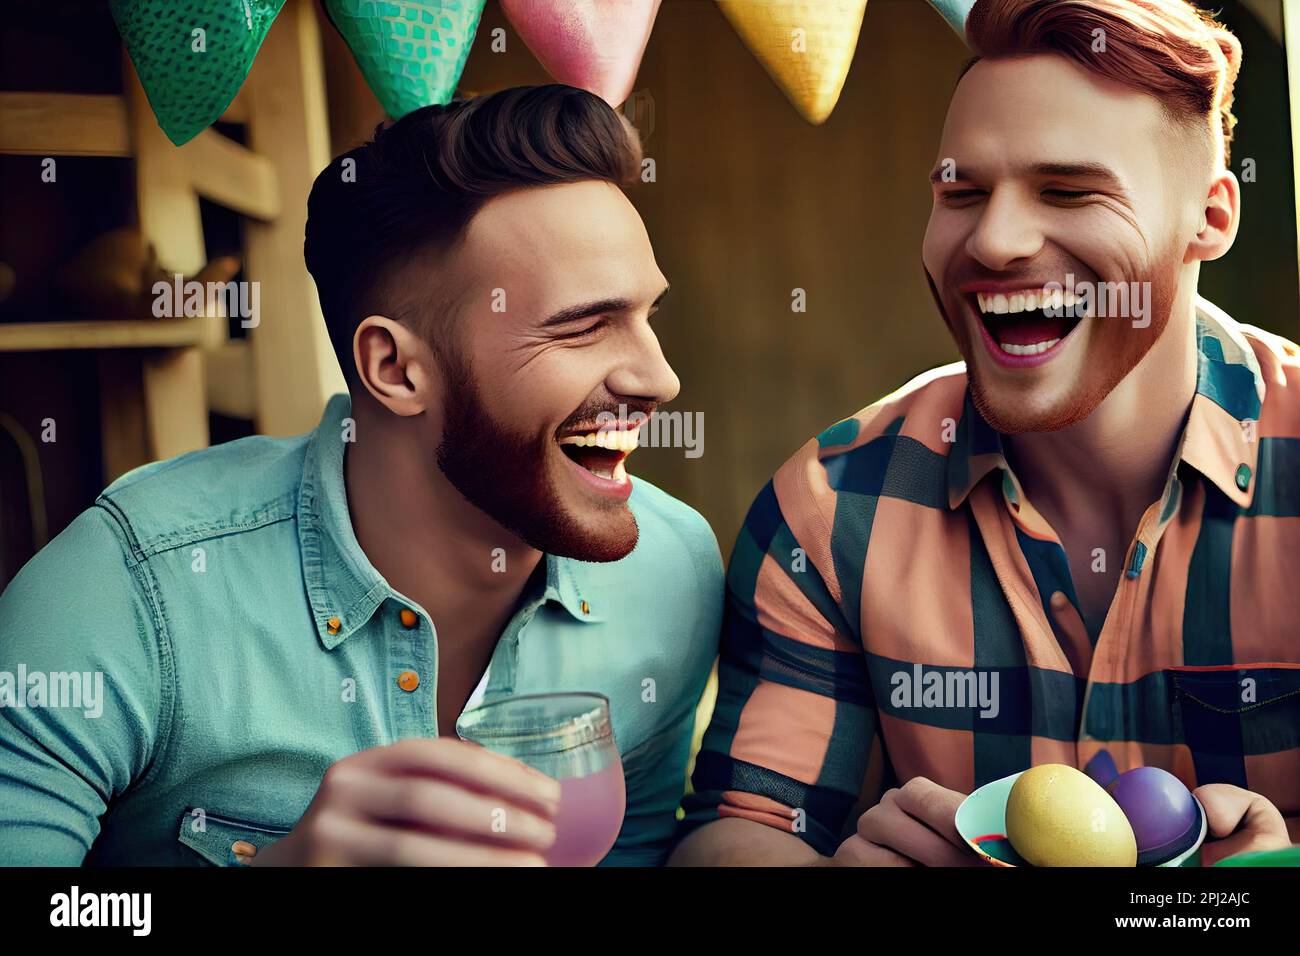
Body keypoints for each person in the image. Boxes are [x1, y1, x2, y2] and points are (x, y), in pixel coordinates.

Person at [0, 85, 722, 866]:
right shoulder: (127, 593)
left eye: (649, 317)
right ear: (395, 367)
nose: (660, 378)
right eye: (585, 326)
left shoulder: (669, 573)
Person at [672, 0, 1298, 866]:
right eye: (961, 192)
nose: (995, 242)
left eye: (1070, 190)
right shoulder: (826, 510)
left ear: (1212, 218)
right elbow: (737, 830)